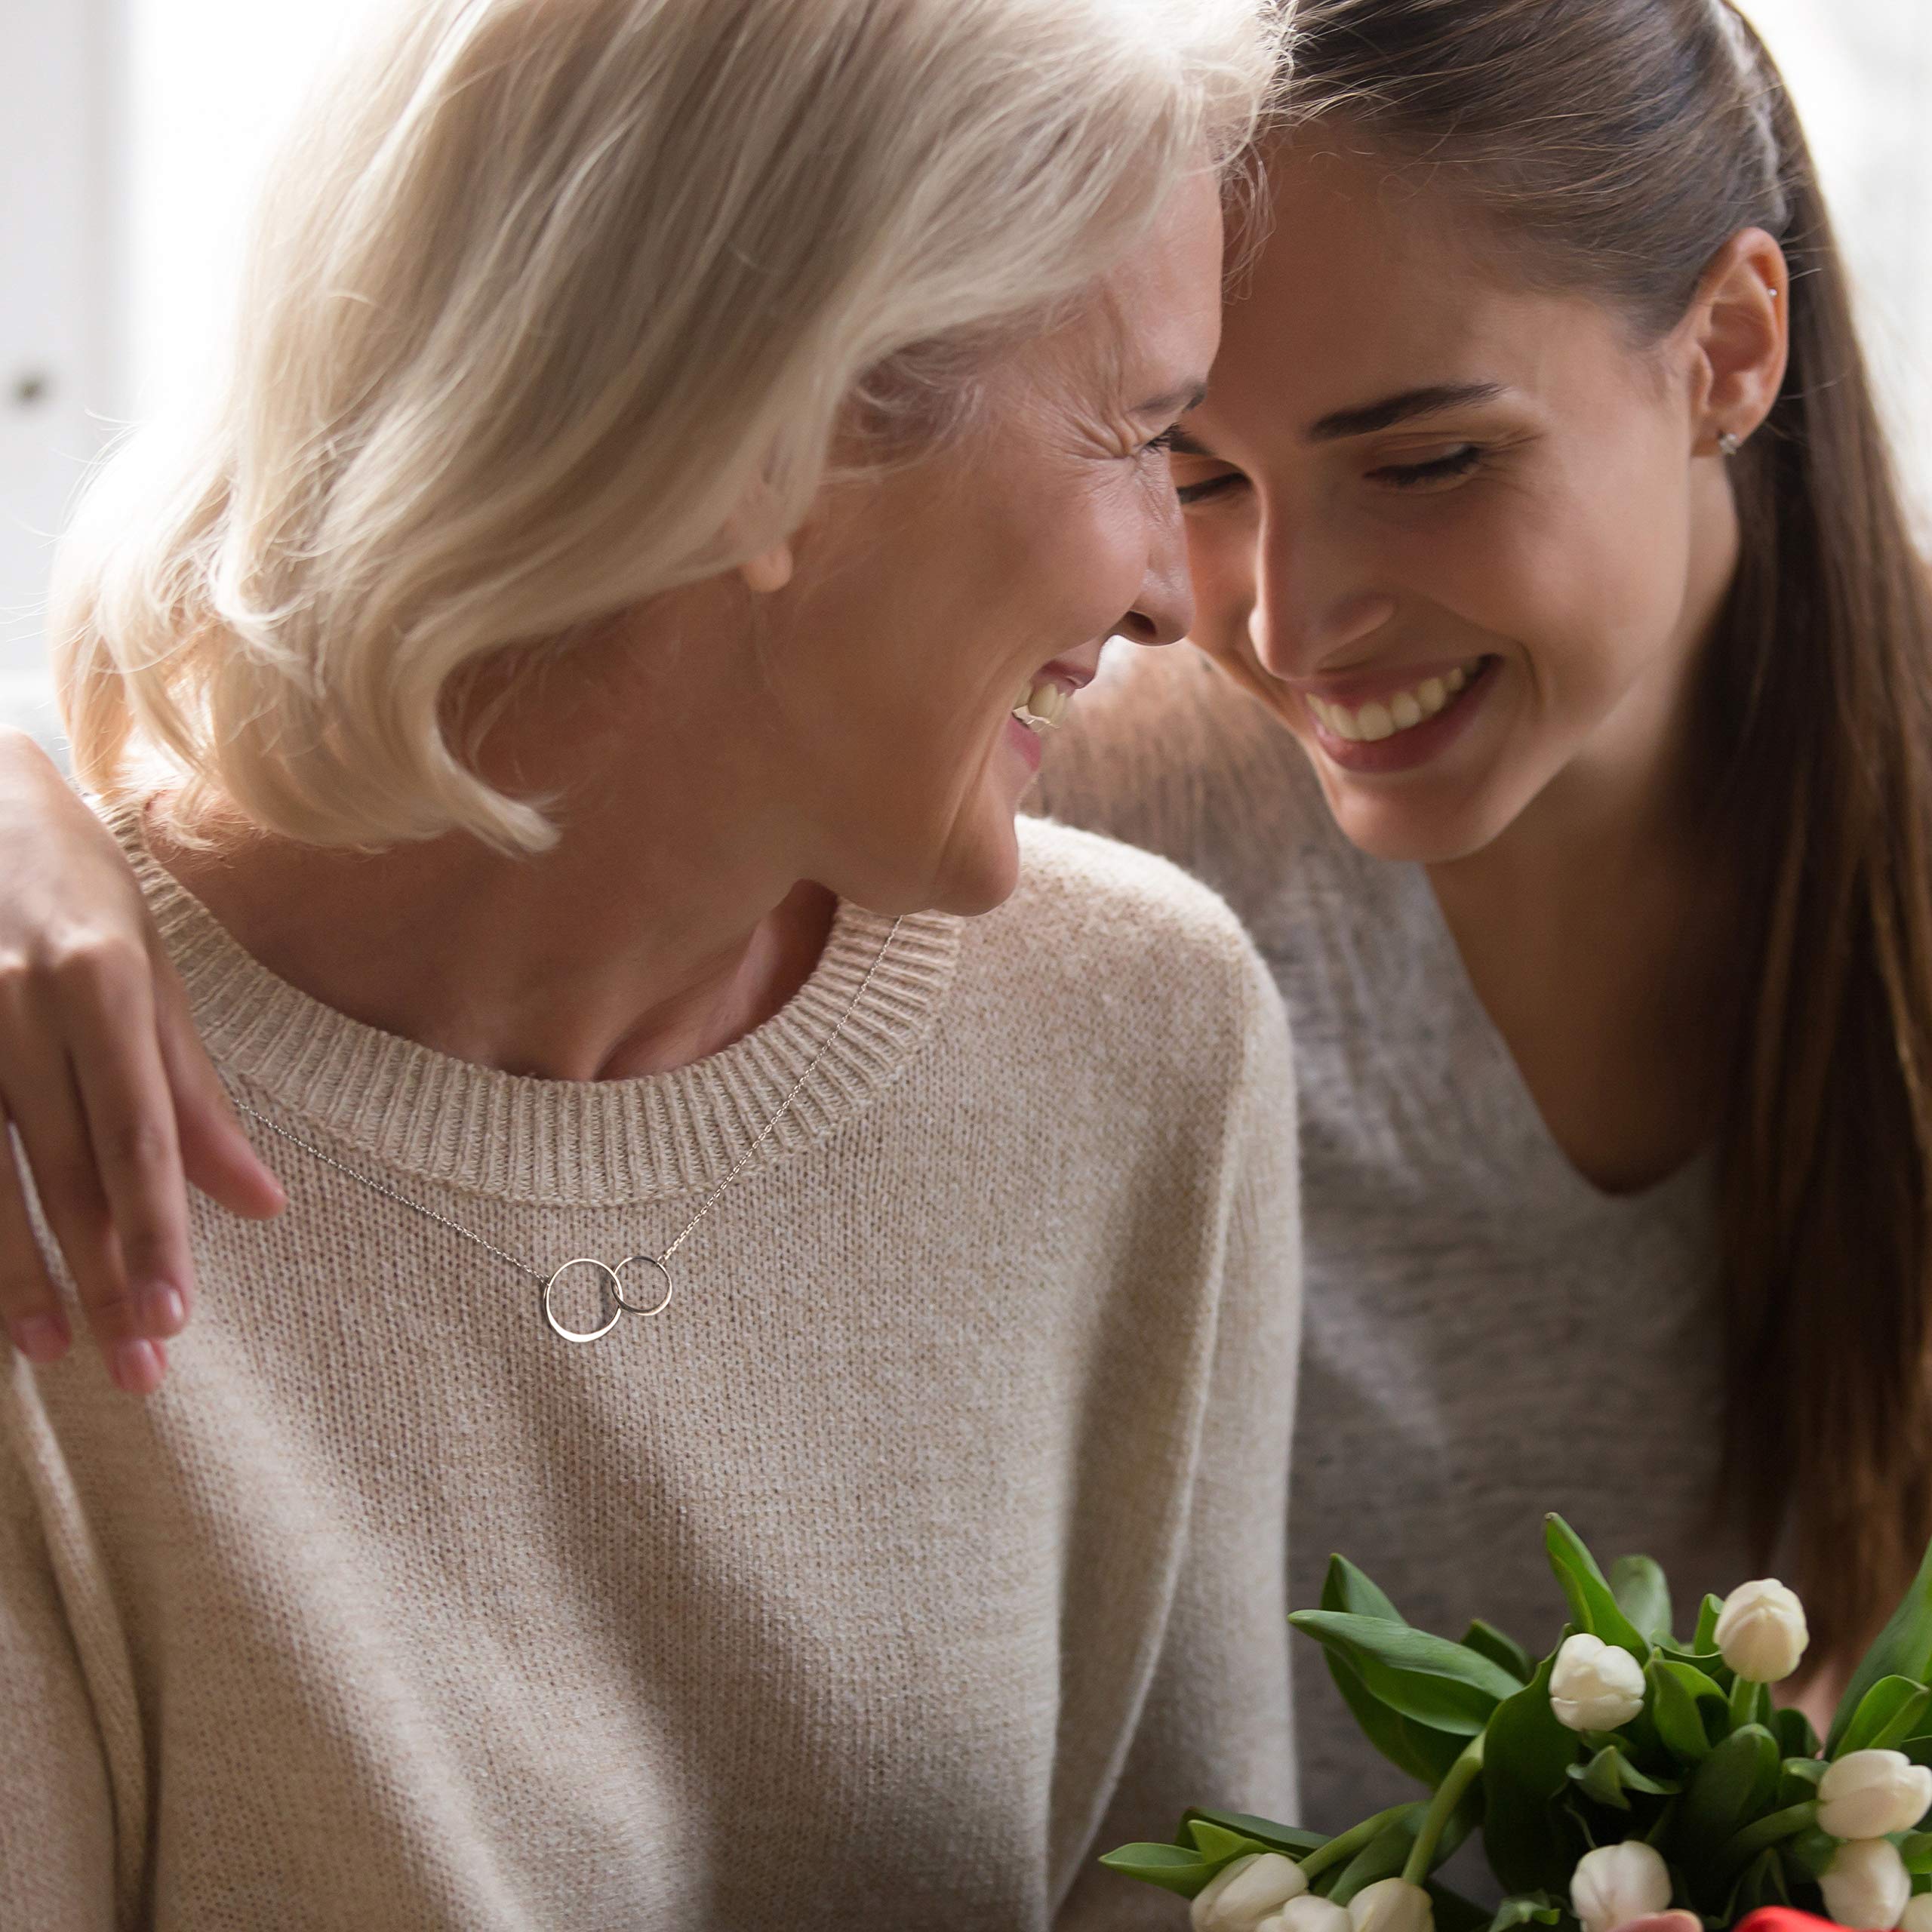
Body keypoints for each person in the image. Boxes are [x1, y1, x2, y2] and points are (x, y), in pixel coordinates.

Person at [0, 1, 1303, 1924]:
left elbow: (1191, 1885)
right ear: (776, 432)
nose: (1171, 594)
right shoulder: (50, 1097)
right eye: (1130, 430)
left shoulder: (1143, 1038)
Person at [1039, 0, 1932, 1839]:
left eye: (1426, 459)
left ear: (1727, 352)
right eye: (1197, 473)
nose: (1285, 622)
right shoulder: (1086, 832)